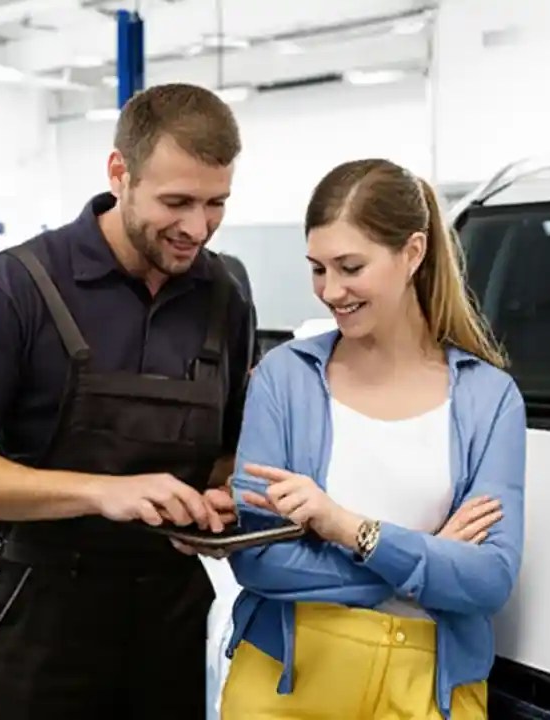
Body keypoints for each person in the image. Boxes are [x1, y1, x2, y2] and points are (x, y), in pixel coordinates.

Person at [0, 83, 256, 720]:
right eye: (177, 202)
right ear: (119, 173)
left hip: (172, 620)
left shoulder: (225, 296)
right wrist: (102, 492)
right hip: (42, 619)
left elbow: (225, 454)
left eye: (216, 204)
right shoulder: (18, 286)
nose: (197, 228)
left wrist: (222, 496)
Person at [218, 158, 526, 720]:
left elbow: (488, 582)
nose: (330, 291)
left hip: (428, 689)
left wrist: (347, 528)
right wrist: (425, 560)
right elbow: (258, 559)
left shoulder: (489, 399)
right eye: (318, 269)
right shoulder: (284, 379)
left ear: (412, 253)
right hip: (286, 683)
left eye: (350, 267)